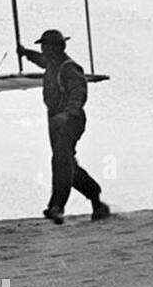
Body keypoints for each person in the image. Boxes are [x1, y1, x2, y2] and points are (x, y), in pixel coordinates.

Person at [18, 30, 111, 225]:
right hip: (55, 120)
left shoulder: (69, 67)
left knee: (60, 158)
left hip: (70, 120)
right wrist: (26, 53)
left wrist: (67, 114)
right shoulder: (52, 63)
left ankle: (57, 206)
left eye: (45, 46)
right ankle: (95, 198)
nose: (43, 50)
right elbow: (40, 60)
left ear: (55, 48)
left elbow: (79, 92)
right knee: (68, 165)